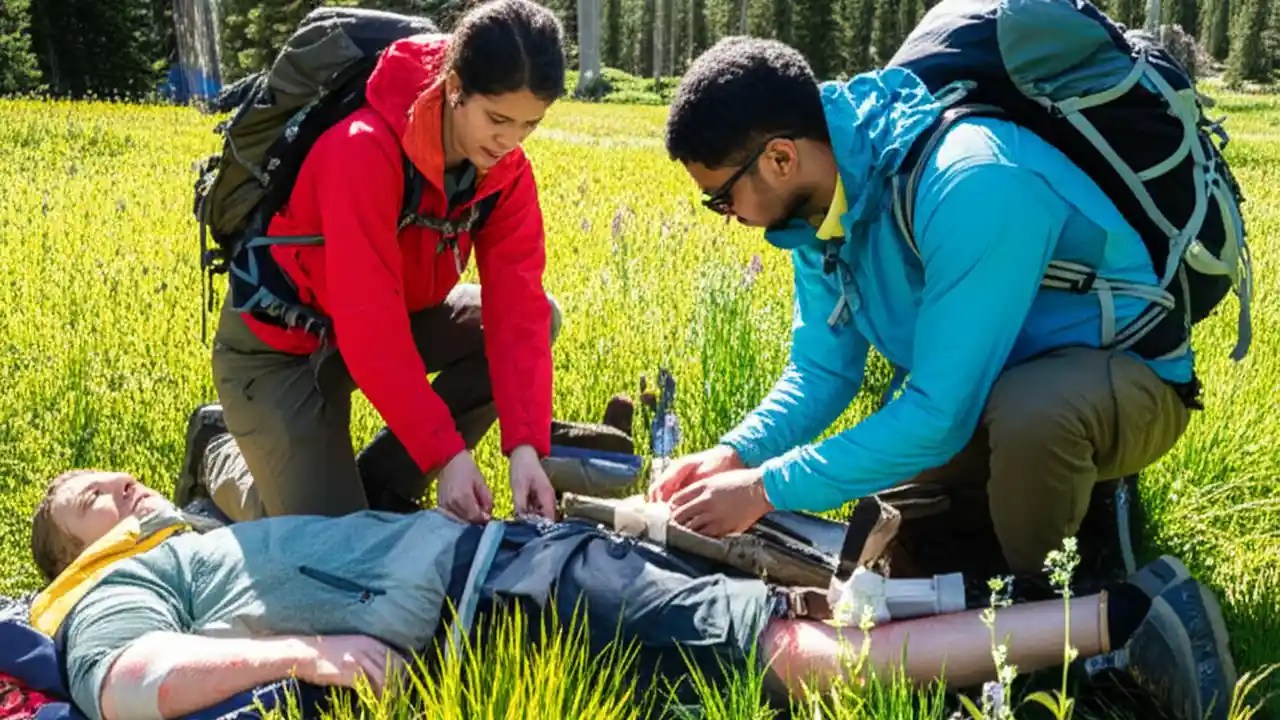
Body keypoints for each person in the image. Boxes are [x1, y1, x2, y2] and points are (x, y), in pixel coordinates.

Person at [27, 469, 1236, 720]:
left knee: (813, 620)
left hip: (511, 565)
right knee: (796, 661)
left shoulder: (216, 526)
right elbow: (127, 688)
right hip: (496, 603)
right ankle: (1122, 627)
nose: (115, 482)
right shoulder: (111, 593)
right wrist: (299, 653)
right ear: (68, 549)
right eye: (85, 491)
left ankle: (1109, 613)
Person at [650, 37, 1198, 577]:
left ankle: (1057, 610)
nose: (725, 215)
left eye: (721, 197)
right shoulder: (815, 217)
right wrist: (738, 454)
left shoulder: (971, 179)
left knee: (1032, 417)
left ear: (780, 158)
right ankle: (1042, 514)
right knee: (903, 528)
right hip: (987, 383)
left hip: (1128, 373)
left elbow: (939, 418)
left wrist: (764, 489)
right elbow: (822, 371)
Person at [210, 0, 566, 525]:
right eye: (497, 119)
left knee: (542, 315)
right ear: (454, 89)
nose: (510, 142)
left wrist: (526, 451)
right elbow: (369, 326)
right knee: (328, 546)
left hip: (383, 327)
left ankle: (384, 487)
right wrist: (447, 454)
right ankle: (217, 456)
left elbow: (518, 314)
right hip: (282, 350)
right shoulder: (363, 150)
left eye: (528, 125)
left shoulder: (506, 170)